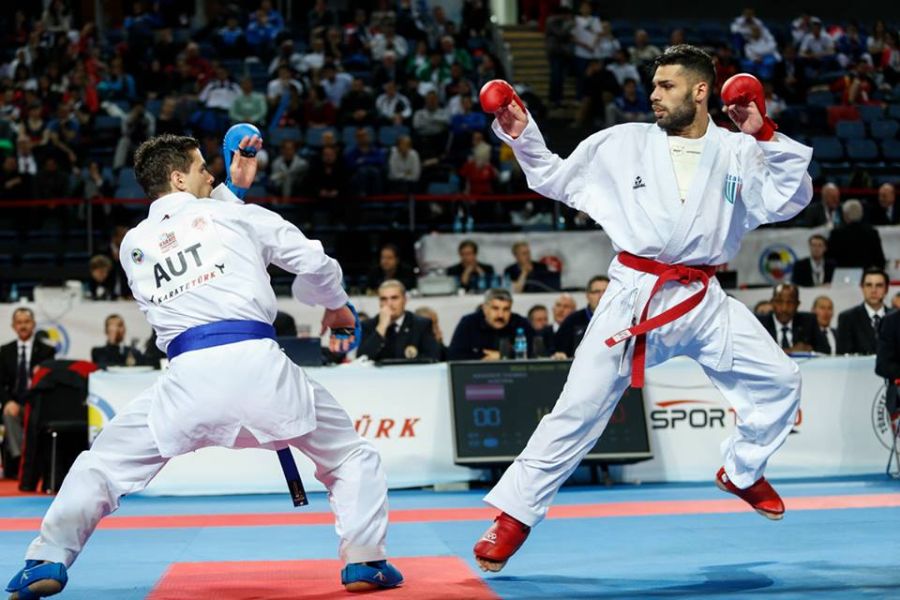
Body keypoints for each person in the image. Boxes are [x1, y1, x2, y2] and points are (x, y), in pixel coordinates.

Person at [5, 133, 402, 598]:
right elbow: (313, 261)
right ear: (178, 176)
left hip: (186, 381)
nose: (210, 174)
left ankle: (45, 558)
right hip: (260, 371)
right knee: (351, 455)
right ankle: (365, 560)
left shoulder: (133, 245)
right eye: (201, 168)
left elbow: (196, 229)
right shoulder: (236, 215)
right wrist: (335, 306)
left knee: (103, 466)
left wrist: (230, 189)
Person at [473, 46, 813, 572]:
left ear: (701, 92)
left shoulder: (738, 150)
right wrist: (522, 133)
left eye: (666, 86)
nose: (653, 94)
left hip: (703, 298)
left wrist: (764, 132)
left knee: (781, 381)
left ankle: (742, 471)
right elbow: (556, 180)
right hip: (636, 293)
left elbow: (791, 199)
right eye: (653, 85)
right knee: (579, 406)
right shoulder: (623, 143)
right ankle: (513, 517)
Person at [0, 307, 56, 480]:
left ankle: (23, 462)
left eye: (26, 322)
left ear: (33, 324)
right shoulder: (4, 351)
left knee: (35, 415)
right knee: (8, 413)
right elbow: (0, 384)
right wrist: (8, 401)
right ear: (13, 326)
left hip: (36, 405)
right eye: (19, 323)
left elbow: (49, 384)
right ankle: (20, 459)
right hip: (14, 405)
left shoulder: (47, 351)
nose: (23, 326)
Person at [357, 280, 441, 362]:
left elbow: (433, 357)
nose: (389, 303)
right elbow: (361, 359)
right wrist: (381, 327)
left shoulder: (421, 324)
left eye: (394, 298)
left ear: (405, 300)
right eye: (384, 299)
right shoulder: (368, 325)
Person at [448, 288, 534, 360]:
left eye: (506, 309)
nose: (501, 315)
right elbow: (454, 355)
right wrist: (484, 357)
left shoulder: (520, 323)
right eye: (495, 308)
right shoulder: (469, 323)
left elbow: (534, 353)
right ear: (485, 308)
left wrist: (502, 356)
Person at [757, 283, 828, 354]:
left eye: (790, 302)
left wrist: (811, 350)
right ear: (772, 303)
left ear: (797, 304)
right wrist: (791, 351)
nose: (784, 308)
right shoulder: (760, 323)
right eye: (779, 302)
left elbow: (825, 351)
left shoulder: (808, 321)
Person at [836, 267, 889, 355]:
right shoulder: (847, 318)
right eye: (869, 285)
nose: (873, 290)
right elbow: (843, 356)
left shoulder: (896, 318)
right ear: (862, 288)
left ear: (886, 289)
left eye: (879, 285)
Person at [553, 275, 609, 358]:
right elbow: (558, 350)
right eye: (596, 292)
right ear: (587, 295)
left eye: (606, 291)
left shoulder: (624, 319)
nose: (601, 296)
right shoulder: (572, 320)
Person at [827, 199, 886, 269]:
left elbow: (829, 259)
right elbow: (880, 260)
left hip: (843, 275)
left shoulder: (836, 234)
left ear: (845, 215)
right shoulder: (872, 233)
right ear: (861, 214)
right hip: (866, 275)